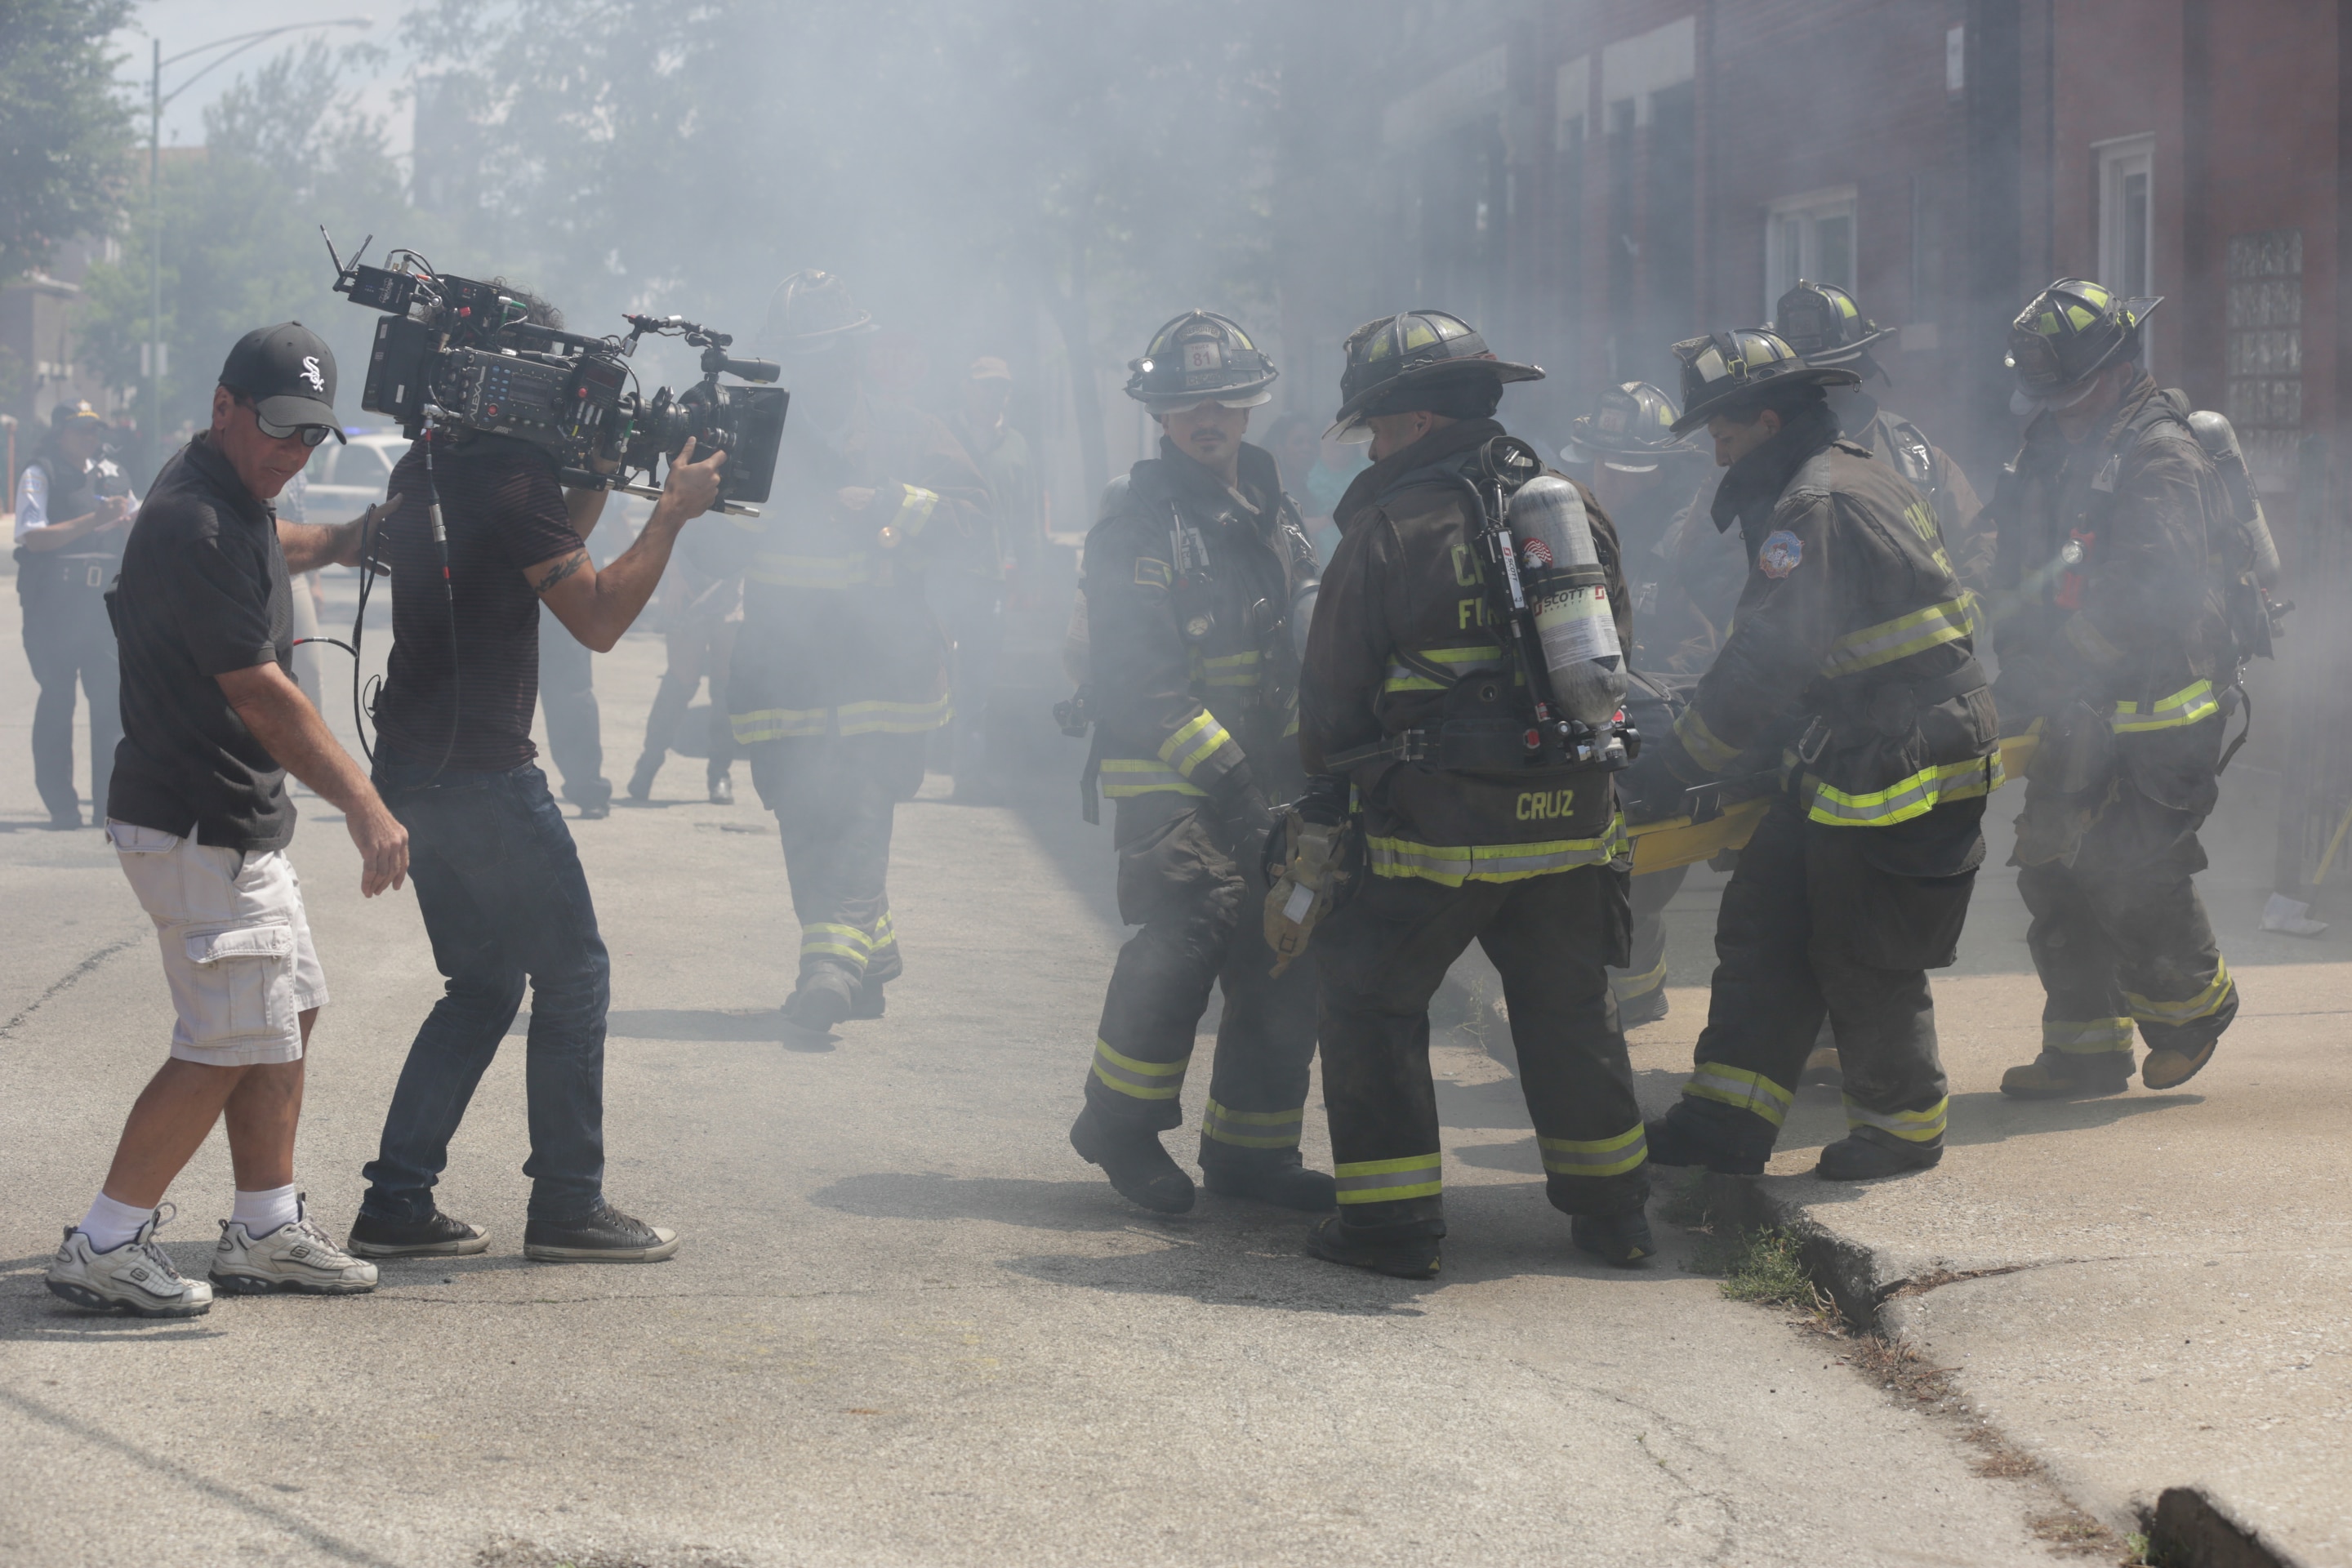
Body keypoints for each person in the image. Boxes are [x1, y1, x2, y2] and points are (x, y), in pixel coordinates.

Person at [350, 284, 725, 1264]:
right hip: (484, 780)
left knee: (479, 986)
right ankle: (567, 1205)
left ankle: (396, 1202)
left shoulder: (429, 465)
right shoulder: (512, 484)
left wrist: (591, 467)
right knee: (574, 977)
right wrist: (675, 516)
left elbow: (550, 536)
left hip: (414, 770)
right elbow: (597, 618)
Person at [45, 324, 405, 1317]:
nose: (292, 454)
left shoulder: (232, 493)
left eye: (309, 438)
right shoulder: (195, 522)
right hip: (194, 822)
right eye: (279, 430)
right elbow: (260, 692)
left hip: (231, 819)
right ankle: (105, 1241)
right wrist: (366, 803)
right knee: (222, 1041)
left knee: (283, 1013)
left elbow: (269, 541)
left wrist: (341, 538)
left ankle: (264, 1225)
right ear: (224, 408)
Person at [1296, 310, 1651, 1280]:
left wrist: (1334, 781)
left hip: (1436, 835)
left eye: (1374, 427)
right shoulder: (1570, 508)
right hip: (1574, 824)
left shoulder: (1390, 525)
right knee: (1570, 1012)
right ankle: (1616, 1213)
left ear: (1409, 420)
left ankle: (1390, 1227)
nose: (1370, 445)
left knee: (1370, 1003)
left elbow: (1330, 696)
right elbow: (1614, 654)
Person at [1629, 327, 1999, 1183]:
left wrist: (1677, 766)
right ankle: (1726, 1119)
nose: (1718, 459)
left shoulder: (1816, 503)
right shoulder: (1839, 474)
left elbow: (1770, 660)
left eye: (1722, 438)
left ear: (1764, 420)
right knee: (1765, 921)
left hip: (1904, 753)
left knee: (1861, 943)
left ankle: (1901, 1125)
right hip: (1852, 744)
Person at [1065, 310, 1330, 1217]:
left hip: (1269, 774)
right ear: (1161, 417)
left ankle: (1252, 1153)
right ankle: (1118, 1125)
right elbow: (1138, 684)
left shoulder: (1270, 502)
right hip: (1171, 770)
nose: (1205, 416)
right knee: (1189, 931)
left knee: (1284, 945)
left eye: (1221, 400)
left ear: (1249, 407)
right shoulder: (1137, 525)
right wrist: (1238, 786)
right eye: (1185, 404)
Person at [1987, 281, 2240, 1098]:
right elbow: (2015, 544)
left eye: (2072, 388)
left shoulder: (2159, 451)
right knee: (2052, 863)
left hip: (2160, 711)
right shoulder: (2053, 439)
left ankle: (2193, 1010)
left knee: (2128, 868)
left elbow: (2148, 587)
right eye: (2048, 391)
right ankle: (2084, 1051)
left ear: (2124, 363)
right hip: (2076, 705)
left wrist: (2063, 664)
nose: (2059, 406)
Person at [723, 270, 993, 1031]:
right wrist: (727, 505)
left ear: (857, 353)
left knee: (861, 811)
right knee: (804, 821)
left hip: (885, 678)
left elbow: (977, 522)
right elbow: (705, 549)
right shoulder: (751, 438)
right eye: (799, 355)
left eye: (830, 352)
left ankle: (829, 969)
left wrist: (887, 503)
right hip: (784, 680)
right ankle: (864, 953)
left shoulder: (910, 430)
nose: (817, 370)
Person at [1561, 380, 1726, 1031]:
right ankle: (1635, 993)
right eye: (1600, 462)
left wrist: (1645, 690)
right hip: (1607, 714)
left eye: (1625, 467)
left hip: (1662, 723)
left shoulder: (1690, 538)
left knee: (1638, 876)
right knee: (1616, 877)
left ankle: (1633, 993)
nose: (1610, 479)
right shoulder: (1587, 526)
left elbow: (1705, 645)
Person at [1774, 281, 1989, 591]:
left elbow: (1979, 547)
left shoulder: (1915, 459)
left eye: (1827, 375)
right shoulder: (1761, 464)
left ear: (1859, 371)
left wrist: (1961, 622)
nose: (1813, 394)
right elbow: (1713, 566)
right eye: (1800, 380)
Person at [13, 400, 132, 829]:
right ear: (60, 432)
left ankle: (109, 805)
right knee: (57, 702)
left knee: (109, 707)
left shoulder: (112, 473)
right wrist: (94, 520)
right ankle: (62, 806)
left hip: (101, 606)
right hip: (54, 607)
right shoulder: (40, 472)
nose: (91, 438)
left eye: (94, 430)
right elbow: (32, 538)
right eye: (81, 430)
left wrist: (125, 524)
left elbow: (138, 523)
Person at [928, 355, 1025, 801]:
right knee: (930, 669)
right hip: (941, 572)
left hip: (991, 579)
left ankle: (968, 775)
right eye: (985, 386)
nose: (993, 394)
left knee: (977, 681)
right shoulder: (941, 433)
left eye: (1000, 387)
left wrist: (1031, 574)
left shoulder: (1018, 446)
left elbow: (1026, 521)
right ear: (966, 389)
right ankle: (908, 764)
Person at [626, 524, 742, 805]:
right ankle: (648, 766)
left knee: (726, 684)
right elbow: (668, 523)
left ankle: (720, 775)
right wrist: (674, 576)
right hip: (686, 578)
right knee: (681, 679)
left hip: (734, 581)